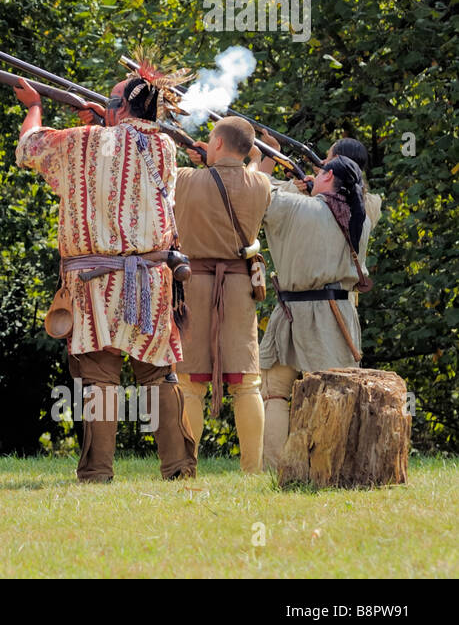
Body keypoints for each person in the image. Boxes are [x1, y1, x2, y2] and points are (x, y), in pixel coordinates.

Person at [14, 69, 197, 482]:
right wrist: (106, 122)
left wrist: (35, 107)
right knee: (157, 375)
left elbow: (30, 147)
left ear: (121, 107)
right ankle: (180, 469)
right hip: (151, 278)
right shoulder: (165, 146)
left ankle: (97, 473)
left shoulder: (86, 142)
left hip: (95, 282)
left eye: (113, 101)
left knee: (98, 379)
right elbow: (123, 151)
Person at [257, 154, 375, 469]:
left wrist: (263, 157)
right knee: (335, 395)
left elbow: (255, 190)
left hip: (292, 314)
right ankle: (328, 468)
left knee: (274, 396)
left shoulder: (297, 206)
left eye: (321, 170)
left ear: (327, 178)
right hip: (335, 313)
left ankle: (273, 469)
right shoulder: (360, 219)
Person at [173, 117, 272, 472]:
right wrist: (253, 155)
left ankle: (186, 466)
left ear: (215, 144)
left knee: (190, 384)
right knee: (247, 385)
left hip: (192, 287)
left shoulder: (185, 179)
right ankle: (251, 470)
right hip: (238, 288)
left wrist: (199, 162)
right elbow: (255, 169)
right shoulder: (260, 183)